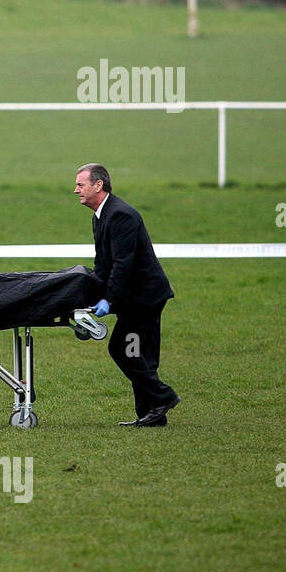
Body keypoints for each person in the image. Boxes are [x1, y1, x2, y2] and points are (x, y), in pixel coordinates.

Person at [74, 163, 180, 427]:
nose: (76, 190)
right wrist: (94, 293)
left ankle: (163, 397)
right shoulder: (101, 215)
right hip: (136, 297)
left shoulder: (121, 215)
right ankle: (151, 414)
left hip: (144, 298)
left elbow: (123, 264)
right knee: (141, 354)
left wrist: (109, 300)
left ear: (98, 185)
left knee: (124, 349)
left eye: (80, 185)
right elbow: (103, 263)